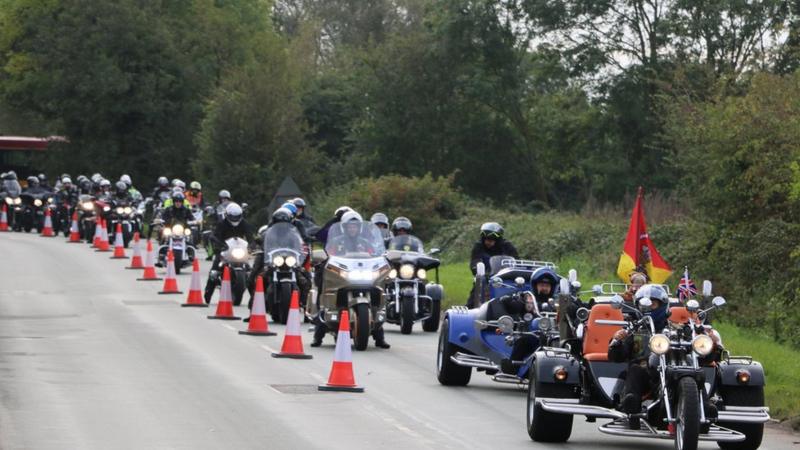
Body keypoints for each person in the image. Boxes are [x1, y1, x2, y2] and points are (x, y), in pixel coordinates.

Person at [312, 211, 390, 349]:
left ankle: (379, 338)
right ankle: (318, 336)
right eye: (350, 226)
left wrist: (383, 259)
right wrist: (324, 259)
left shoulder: (365, 242)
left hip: (363, 275)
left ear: (359, 228)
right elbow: (328, 254)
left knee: (377, 299)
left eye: (355, 226)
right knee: (324, 290)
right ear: (344, 227)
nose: (352, 228)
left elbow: (376, 254)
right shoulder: (336, 241)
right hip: (344, 277)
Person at [608, 284, 670, 429]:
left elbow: (702, 355)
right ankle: (631, 404)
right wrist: (617, 341)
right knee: (635, 369)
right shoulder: (633, 331)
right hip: (645, 375)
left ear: (662, 305)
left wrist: (711, 343)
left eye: (652, 304)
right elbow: (616, 357)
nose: (648, 308)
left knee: (692, 373)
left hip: (669, 372)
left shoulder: (675, 330)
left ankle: (705, 406)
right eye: (643, 304)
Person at [204, 203, 253, 303]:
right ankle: (208, 294)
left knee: (251, 272)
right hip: (224, 250)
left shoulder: (244, 223)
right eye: (233, 216)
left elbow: (250, 237)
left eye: (237, 216)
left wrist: (251, 246)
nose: (235, 219)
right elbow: (214, 236)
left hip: (240, 250)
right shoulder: (222, 224)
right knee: (214, 271)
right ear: (227, 215)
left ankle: (255, 298)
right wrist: (219, 245)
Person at [467, 222, 519, 306]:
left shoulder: (507, 246)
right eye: (486, 239)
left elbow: (516, 261)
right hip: (486, 277)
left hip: (505, 277)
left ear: (498, 239)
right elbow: (475, 260)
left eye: (491, 240)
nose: (488, 242)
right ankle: (471, 308)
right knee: (477, 287)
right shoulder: (478, 246)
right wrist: (476, 268)